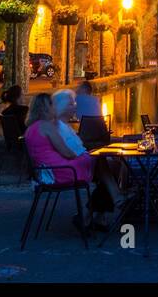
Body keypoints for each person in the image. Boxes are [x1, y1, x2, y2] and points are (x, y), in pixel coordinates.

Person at [23, 93, 117, 230]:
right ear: (44, 108)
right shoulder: (47, 126)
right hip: (62, 172)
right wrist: (79, 156)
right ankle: (110, 201)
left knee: (101, 160)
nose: (53, 107)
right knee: (104, 161)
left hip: (46, 172)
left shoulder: (30, 129)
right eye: (51, 105)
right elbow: (66, 152)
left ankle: (99, 208)